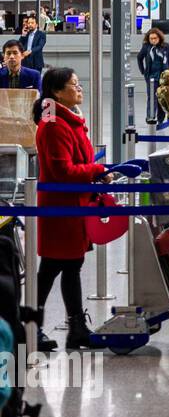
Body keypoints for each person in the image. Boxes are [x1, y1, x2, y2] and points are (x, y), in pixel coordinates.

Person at [33, 69, 110, 352]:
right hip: (61, 208)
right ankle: (33, 327)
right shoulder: (54, 124)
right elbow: (61, 170)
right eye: (74, 85)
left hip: (72, 205)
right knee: (55, 266)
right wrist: (96, 170)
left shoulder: (68, 120)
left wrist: (96, 173)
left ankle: (73, 328)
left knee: (68, 265)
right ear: (56, 92)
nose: (79, 89)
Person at [135, 28, 169, 123]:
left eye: (155, 38)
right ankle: (150, 117)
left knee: (163, 97)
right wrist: (143, 71)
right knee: (151, 97)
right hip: (151, 76)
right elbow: (139, 57)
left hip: (164, 77)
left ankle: (161, 118)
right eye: (151, 38)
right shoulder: (146, 47)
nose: (153, 40)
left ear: (159, 38)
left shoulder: (165, 46)